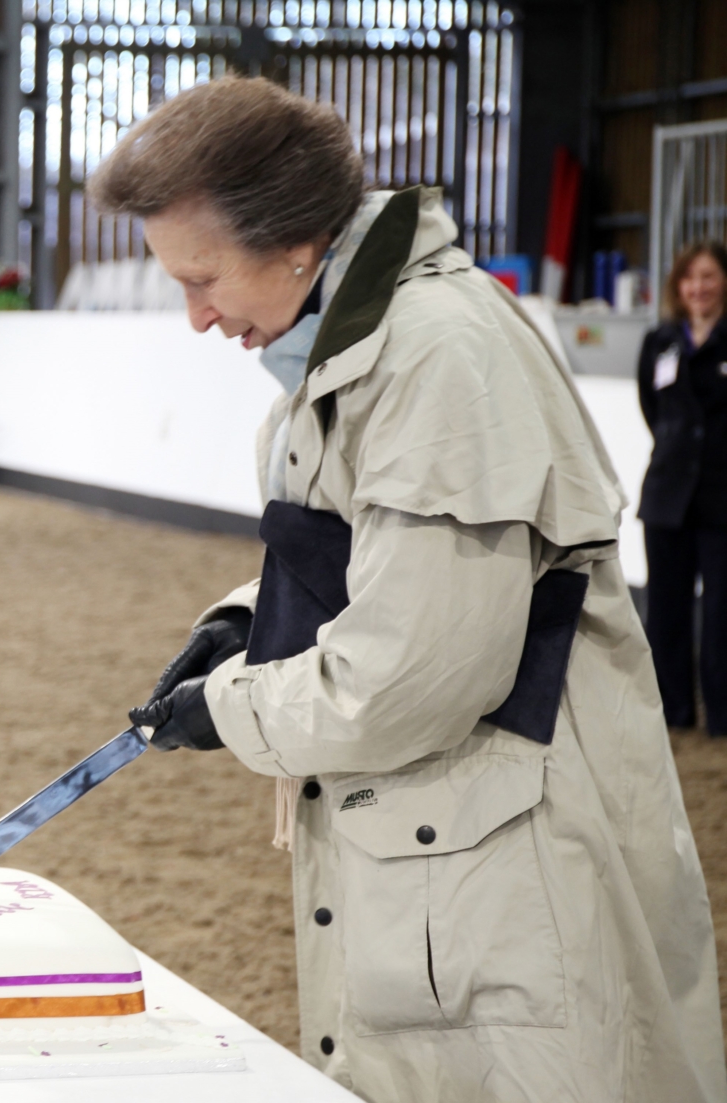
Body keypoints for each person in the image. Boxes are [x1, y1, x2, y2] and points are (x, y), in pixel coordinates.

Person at [90, 78, 725, 1101]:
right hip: (439, 863)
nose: (195, 317)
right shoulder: (353, 346)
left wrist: (230, 709)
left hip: (507, 881)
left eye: (201, 278)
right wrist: (245, 622)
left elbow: (407, 675)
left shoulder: (434, 355)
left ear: (295, 239)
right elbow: (368, 559)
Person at [638, 240, 727, 733]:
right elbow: (654, 411)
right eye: (690, 278)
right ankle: (673, 713)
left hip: (720, 496)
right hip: (667, 496)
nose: (699, 287)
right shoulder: (660, 341)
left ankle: (721, 717)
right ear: (678, 286)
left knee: (719, 616)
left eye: (709, 276)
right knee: (666, 613)